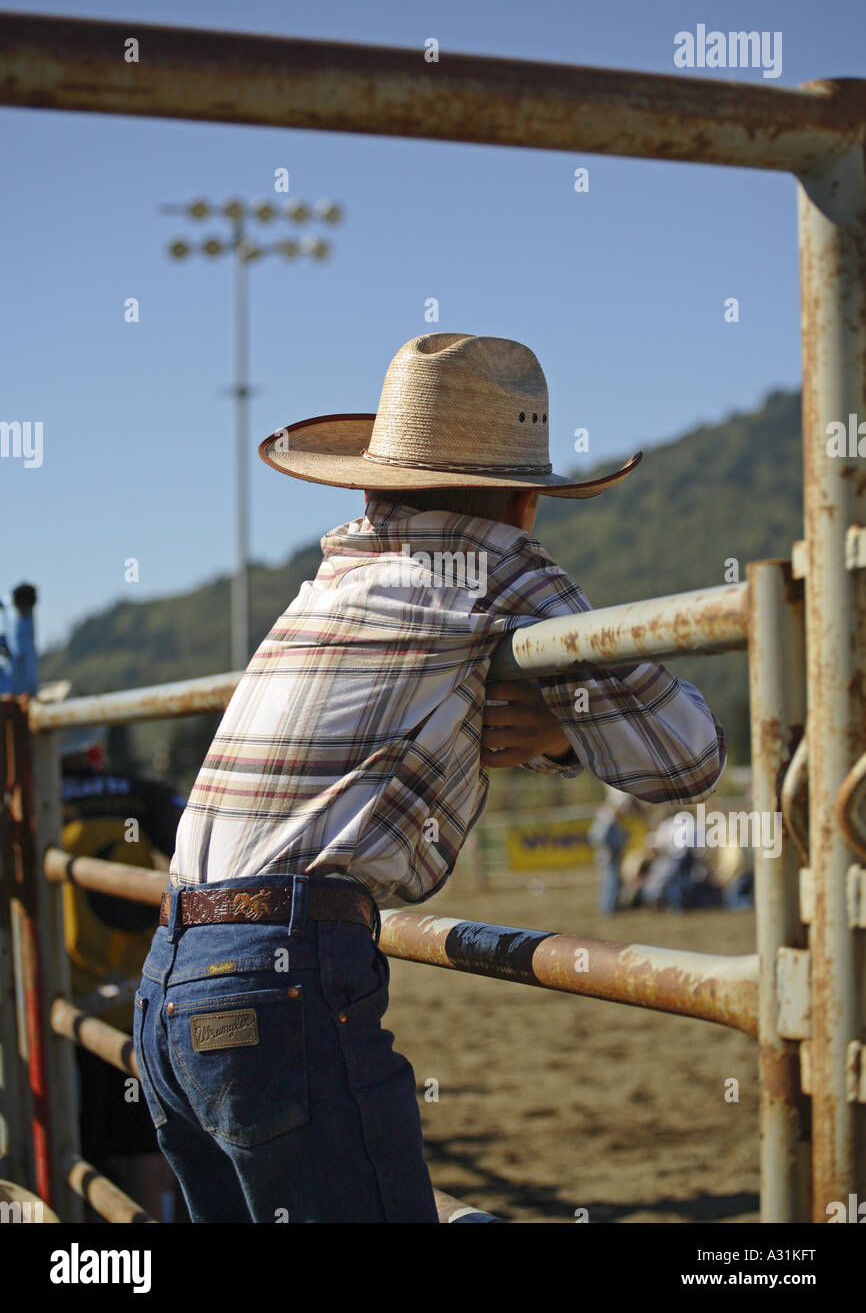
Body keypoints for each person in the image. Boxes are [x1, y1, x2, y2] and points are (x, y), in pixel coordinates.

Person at [134, 332, 726, 1223]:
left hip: (170, 978)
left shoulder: (331, 581)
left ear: (371, 483)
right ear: (525, 500)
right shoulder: (499, 564)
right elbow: (688, 758)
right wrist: (563, 736)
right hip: (279, 978)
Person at [588, 788, 632, 915]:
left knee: (612, 880)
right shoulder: (608, 818)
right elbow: (599, 837)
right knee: (611, 881)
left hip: (610, 853)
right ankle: (608, 909)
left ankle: (611, 906)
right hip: (609, 854)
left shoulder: (607, 818)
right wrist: (610, 849)